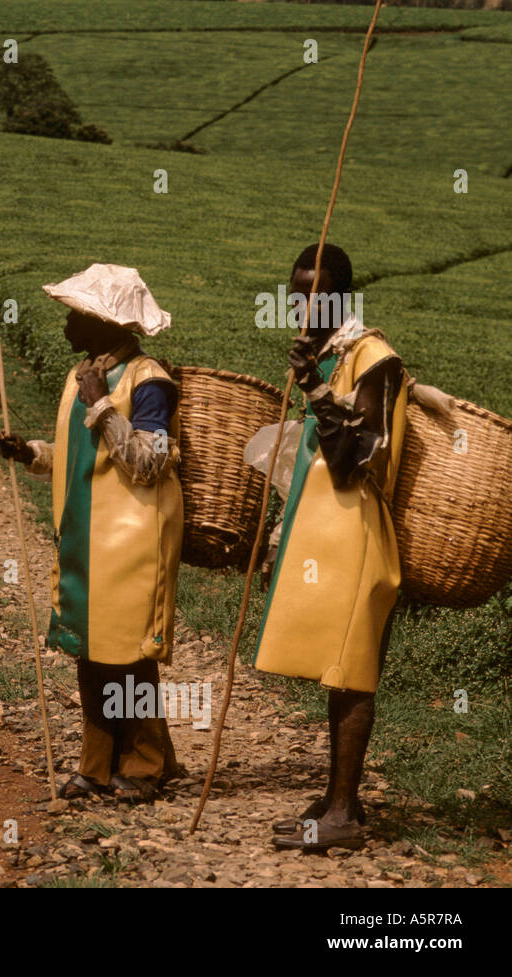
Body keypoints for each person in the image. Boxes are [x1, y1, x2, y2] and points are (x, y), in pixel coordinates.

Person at [0, 264, 182, 804]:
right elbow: (82, 458)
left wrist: (101, 405)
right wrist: (31, 453)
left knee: (130, 654)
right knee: (91, 650)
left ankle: (144, 766)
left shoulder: (148, 380)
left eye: (77, 314)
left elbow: (148, 462)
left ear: (105, 322)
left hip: (133, 539)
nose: (68, 324)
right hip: (87, 536)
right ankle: (98, 765)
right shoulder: (84, 375)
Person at [254, 243, 407, 852]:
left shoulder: (375, 359)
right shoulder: (336, 355)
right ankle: (339, 797)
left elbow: (349, 462)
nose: (300, 304)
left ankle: (343, 814)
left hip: (359, 533)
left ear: (343, 296)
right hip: (330, 533)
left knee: (353, 670)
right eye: (296, 292)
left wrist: (314, 389)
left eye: (314, 294)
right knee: (336, 672)